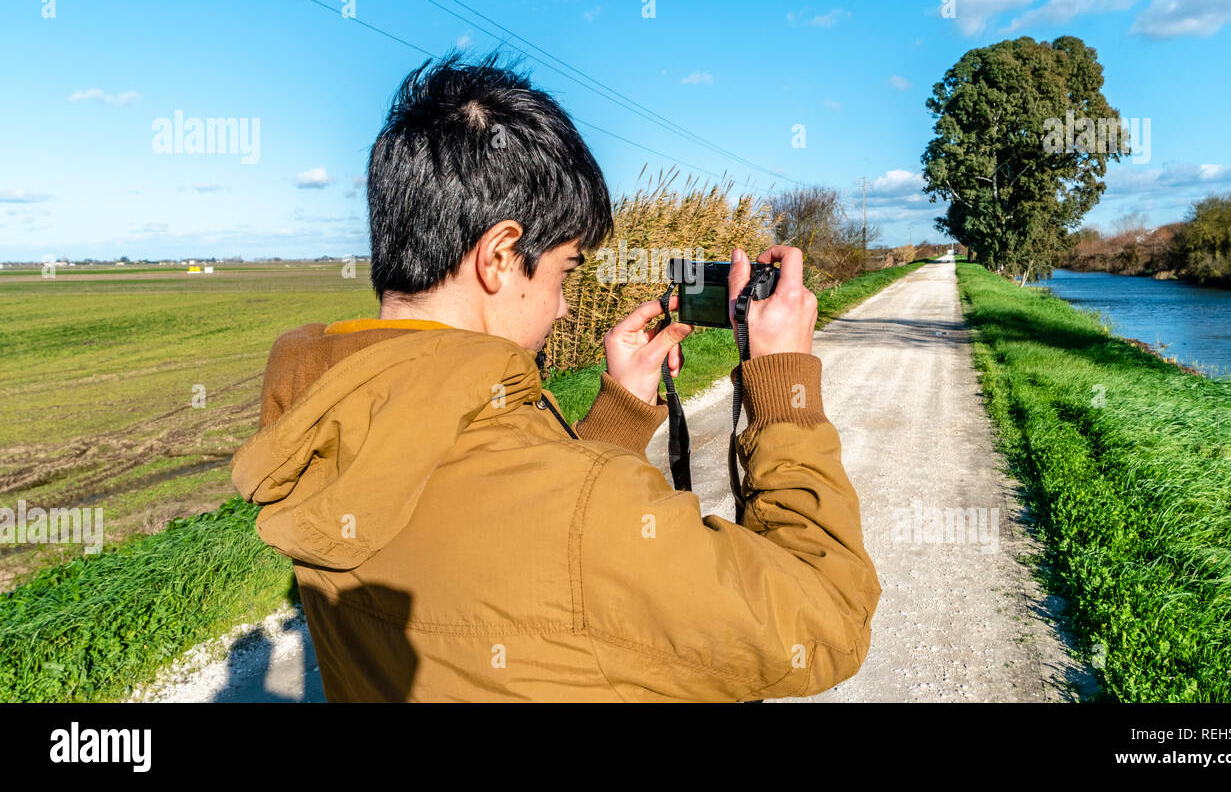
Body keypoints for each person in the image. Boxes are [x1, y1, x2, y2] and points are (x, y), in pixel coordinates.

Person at [231, 48, 882, 701]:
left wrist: (621, 413)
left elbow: (517, 555)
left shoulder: (322, 420)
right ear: (501, 255)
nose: (565, 305)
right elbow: (824, 621)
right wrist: (782, 386)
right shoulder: (588, 515)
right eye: (565, 272)